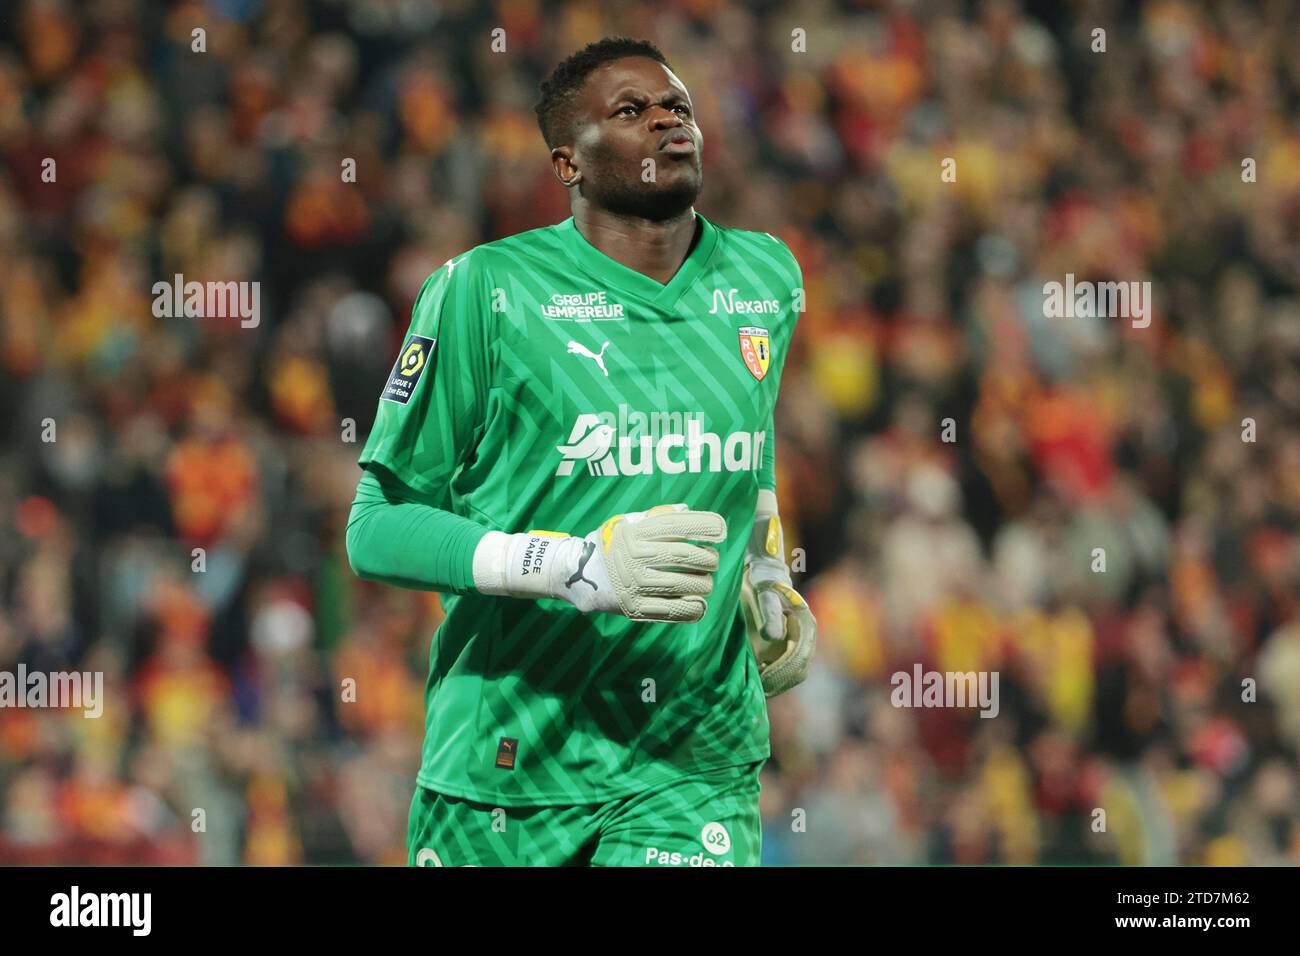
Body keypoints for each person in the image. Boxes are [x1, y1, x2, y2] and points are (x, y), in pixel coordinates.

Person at [346, 36, 815, 867]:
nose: (668, 120)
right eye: (631, 111)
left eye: (678, 106)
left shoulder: (765, 276)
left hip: (690, 760)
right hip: (509, 764)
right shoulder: (485, 292)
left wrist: (769, 570)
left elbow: (749, 448)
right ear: (567, 160)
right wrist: (571, 567)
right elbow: (376, 529)